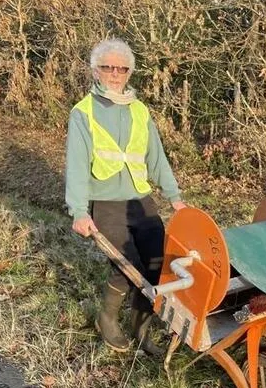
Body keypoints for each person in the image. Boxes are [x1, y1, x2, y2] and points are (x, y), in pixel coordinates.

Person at [65, 37, 187, 355]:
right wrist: (78, 210)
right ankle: (106, 318)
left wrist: (174, 197)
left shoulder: (140, 111)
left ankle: (141, 327)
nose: (115, 74)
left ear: (130, 72)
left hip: (140, 199)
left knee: (157, 262)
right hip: (106, 201)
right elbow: (76, 165)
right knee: (126, 263)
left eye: (122, 68)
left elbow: (156, 157)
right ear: (96, 71)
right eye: (108, 67)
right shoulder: (83, 113)